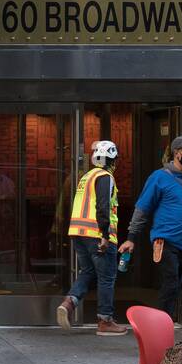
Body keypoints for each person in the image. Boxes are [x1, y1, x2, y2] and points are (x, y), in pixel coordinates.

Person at [119, 136, 182, 324]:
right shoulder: (159, 177)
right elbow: (142, 209)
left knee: (177, 286)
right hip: (165, 241)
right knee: (171, 283)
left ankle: (165, 322)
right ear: (177, 153)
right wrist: (131, 237)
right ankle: (163, 325)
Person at [57, 140, 129, 335]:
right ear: (113, 159)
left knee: (88, 271)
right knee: (107, 278)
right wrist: (105, 235)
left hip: (78, 233)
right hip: (97, 235)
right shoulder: (105, 177)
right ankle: (105, 321)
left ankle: (70, 302)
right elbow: (103, 206)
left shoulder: (86, 176)